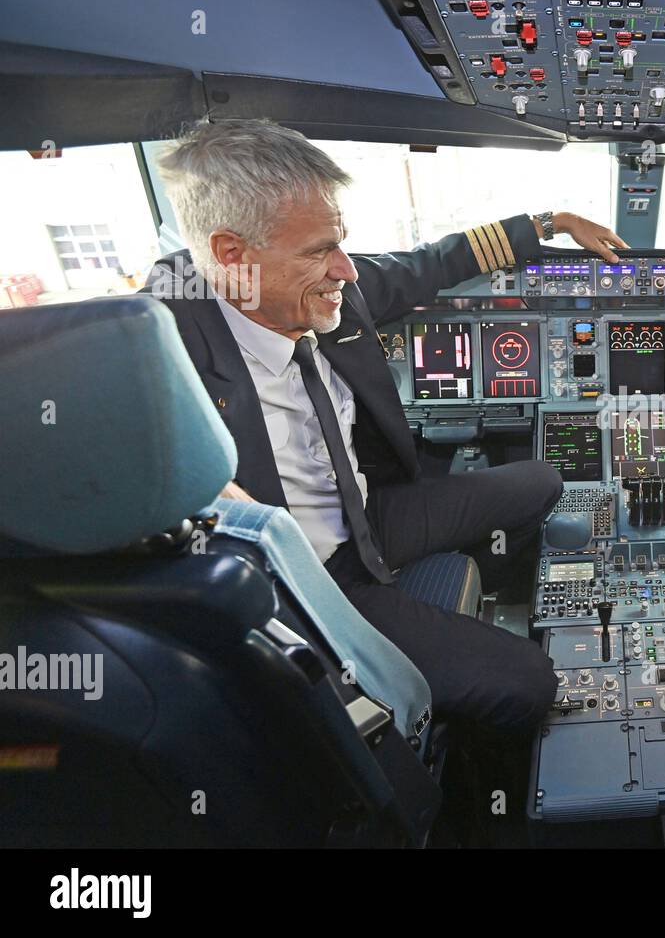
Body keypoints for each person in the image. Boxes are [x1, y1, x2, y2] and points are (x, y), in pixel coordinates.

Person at [147, 118, 628, 732]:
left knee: (540, 479)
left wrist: (551, 224)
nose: (346, 270)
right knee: (526, 683)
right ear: (231, 254)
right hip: (305, 581)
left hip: (366, 521)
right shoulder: (161, 353)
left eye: (340, 243)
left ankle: (506, 594)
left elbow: (436, 261)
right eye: (319, 250)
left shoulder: (339, 290)